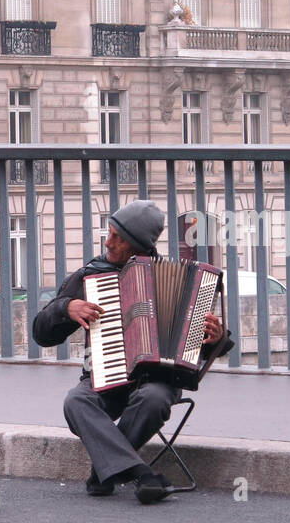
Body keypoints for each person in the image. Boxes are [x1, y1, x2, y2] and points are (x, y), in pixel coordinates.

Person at [31, 199, 232, 504]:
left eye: (118, 237)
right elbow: (41, 334)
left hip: (157, 379)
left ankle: (104, 470)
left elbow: (198, 351)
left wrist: (214, 338)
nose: (107, 242)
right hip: (104, 381)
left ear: (138, 245)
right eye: (109, 233)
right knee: (76, 401)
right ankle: (141, 474)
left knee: (153, 398)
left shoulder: (182, 280)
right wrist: (64, 307)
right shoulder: (88, 277)